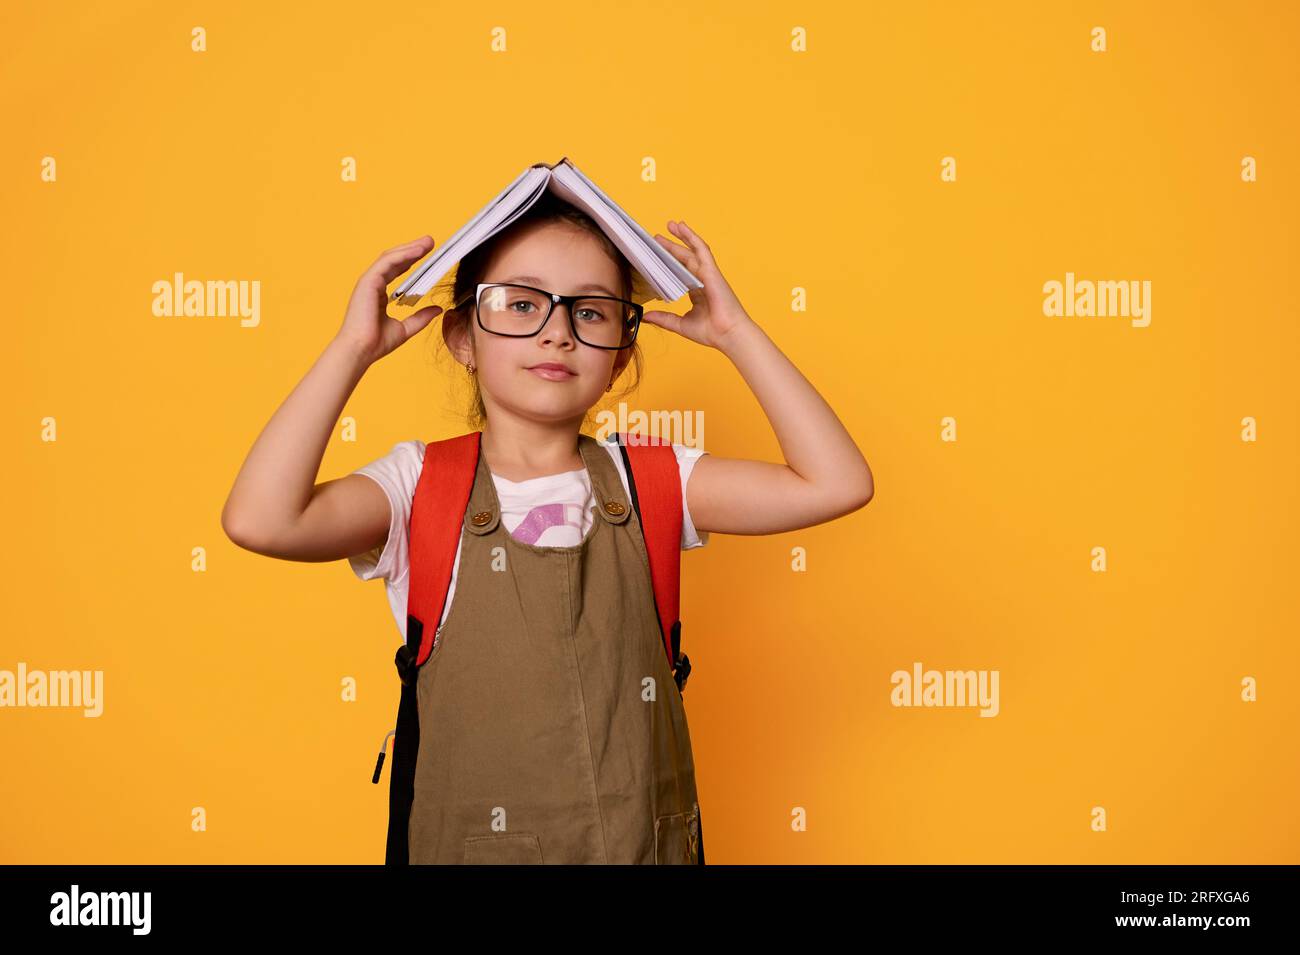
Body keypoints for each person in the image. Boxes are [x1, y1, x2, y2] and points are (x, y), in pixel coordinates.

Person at [220, 192, 874, 863]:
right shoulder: (418, 486)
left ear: (620, 354)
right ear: (461, 336)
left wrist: (737, 335)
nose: (557, 331)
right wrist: (352, 348)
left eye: (590, 311)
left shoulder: (656, 481)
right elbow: (262, 519)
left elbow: (837, 482)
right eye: (522, 303)